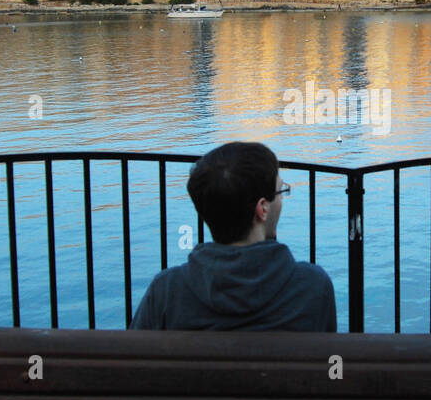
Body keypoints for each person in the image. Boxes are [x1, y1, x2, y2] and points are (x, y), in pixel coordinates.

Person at [132, 141, 336, 331]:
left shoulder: (166, 292)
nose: (282, 198)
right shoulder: (313, 287)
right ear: (262, 209)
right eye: (280, 191)